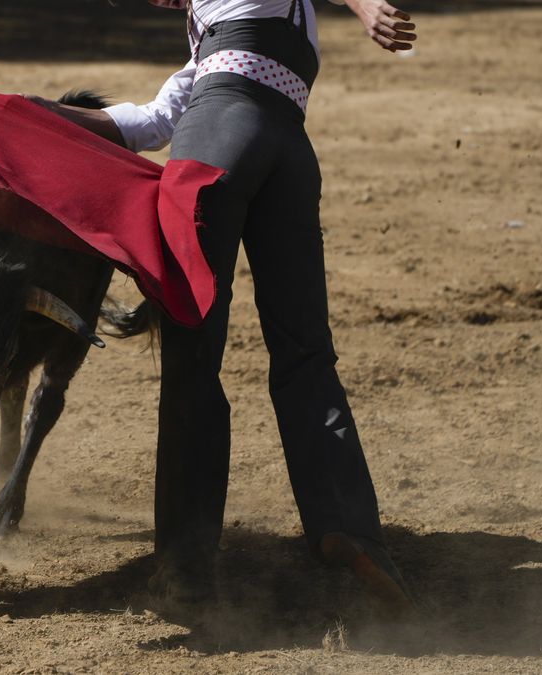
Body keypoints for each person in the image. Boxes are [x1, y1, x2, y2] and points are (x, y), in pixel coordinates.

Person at [27, 0, 418, 613]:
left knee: (192, 356)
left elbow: (182, 120)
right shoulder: (210, 37)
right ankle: (349, 528)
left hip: (214, 147)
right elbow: (151, 122)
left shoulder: (221, 23)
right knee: (306, 354)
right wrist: (35, 113)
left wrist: (364, 4)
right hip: (287, 154)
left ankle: (184, 564)